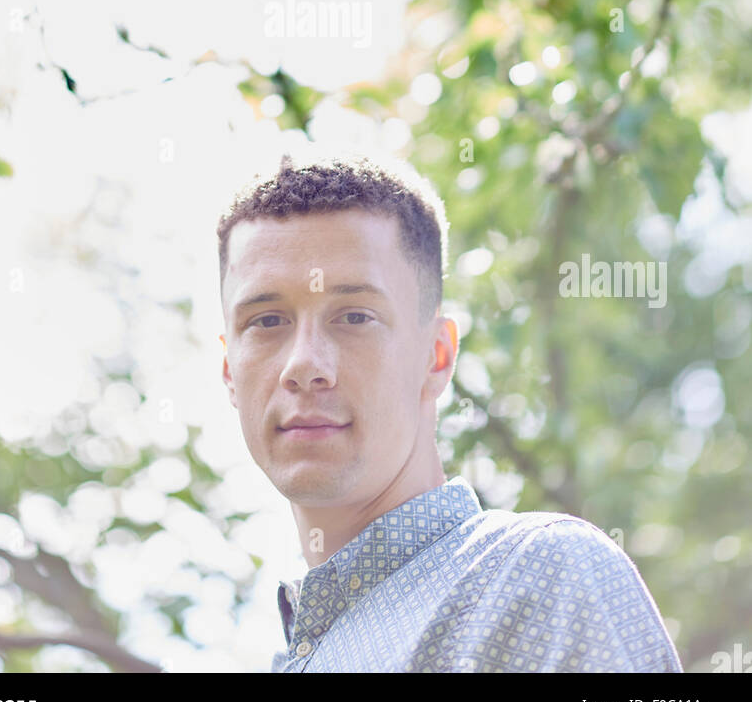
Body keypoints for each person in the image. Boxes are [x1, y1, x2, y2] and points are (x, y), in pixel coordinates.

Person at [217, 152, 683, 674]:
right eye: (267, 321)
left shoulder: (541, 575)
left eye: (354, 316)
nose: (304, 365)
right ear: (230, 371)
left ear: (436, 356)